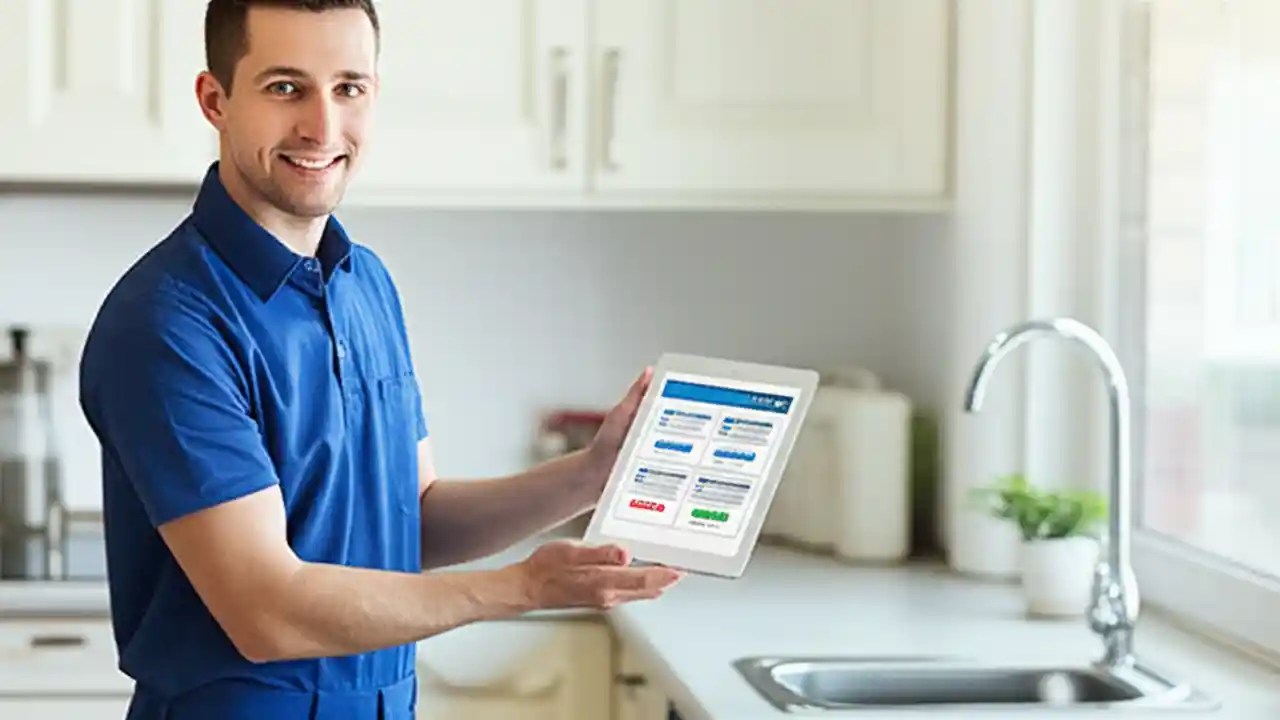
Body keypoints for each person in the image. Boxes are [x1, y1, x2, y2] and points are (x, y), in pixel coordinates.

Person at [77, 1, 682, 718]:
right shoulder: (171, 321)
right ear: (216, 101)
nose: (322, 128)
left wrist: (588, 476)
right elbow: (267, 611)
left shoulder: (365, 285)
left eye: (348, 88)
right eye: (285, 88)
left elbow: (411, 521)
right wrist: (524, 587)